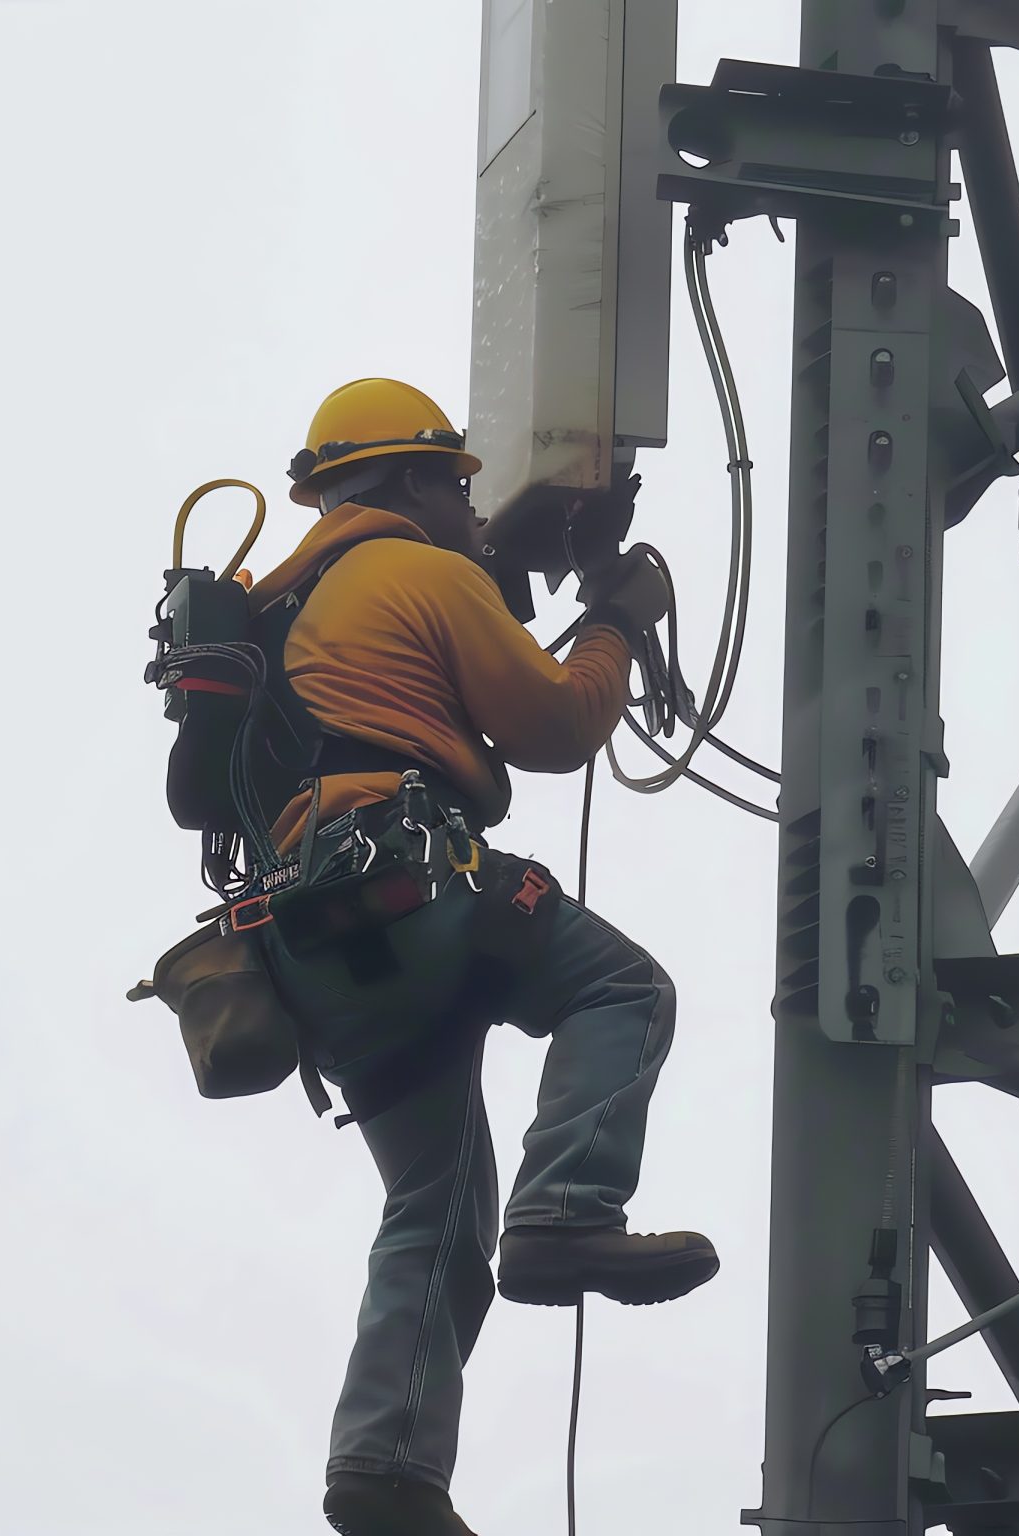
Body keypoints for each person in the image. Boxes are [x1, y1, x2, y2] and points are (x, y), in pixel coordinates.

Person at [250, 379, 719, 1536]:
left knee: (439, 1200)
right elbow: (557, 725)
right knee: (623, 987)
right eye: (457, 486)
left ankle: (384, 1471)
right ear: (409, 480)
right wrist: (615, 618)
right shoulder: (420, 572)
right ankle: (565, 1209)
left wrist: (509, 567)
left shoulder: (283, 606)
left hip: (312, 949)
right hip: (407, 889)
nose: (471, 509)